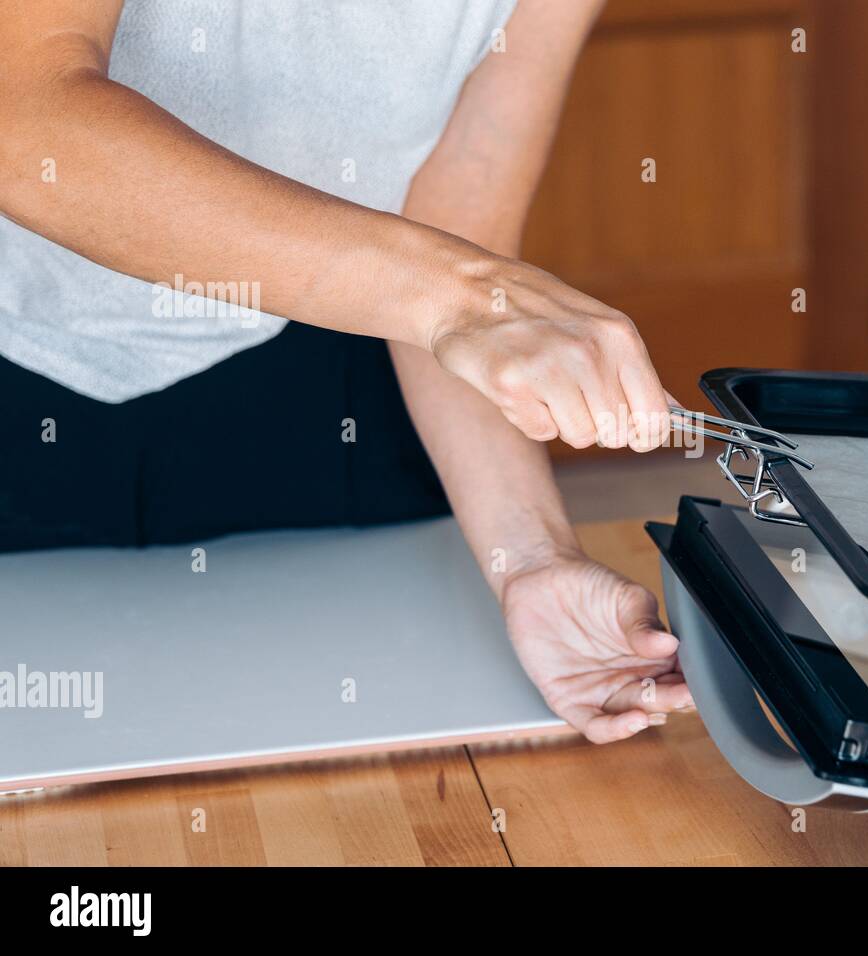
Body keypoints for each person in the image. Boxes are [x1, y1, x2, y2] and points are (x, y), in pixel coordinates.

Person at [0, 0, 694, 742]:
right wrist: (458, 297)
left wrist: (531, 558)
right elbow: (26, 118)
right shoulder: (438, 290)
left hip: (310, 351)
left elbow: (461, 214)